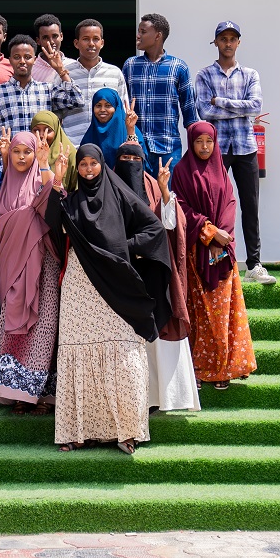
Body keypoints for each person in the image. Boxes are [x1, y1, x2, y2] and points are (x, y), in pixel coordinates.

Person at [50, 143, 174, 454]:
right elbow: (53, 224)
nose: (89, 169)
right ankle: (79, 432)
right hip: (80, 287)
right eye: (83, 164)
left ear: (103, 165)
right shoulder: (73, 201)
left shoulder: (120, 196)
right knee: (79, 355)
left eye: (94, 163)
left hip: (117, 286)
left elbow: (155, 229)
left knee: (122, 355)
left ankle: (127, 432)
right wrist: (56, 183)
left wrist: (125, 248)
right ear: (77, 168)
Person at [113, 143, 200, 412]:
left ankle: (162, 396)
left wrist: (164, 192)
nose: (130, 162)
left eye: (135, 158)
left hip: (154, 272)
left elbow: (171, 225)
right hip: (122, 274)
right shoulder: (110, 187)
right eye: (124, 157)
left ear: (143, 162)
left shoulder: (152, 186)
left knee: (158, 333)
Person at [173, 122, 258, 390]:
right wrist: (208, 233)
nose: (205, 146)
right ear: (191, 142)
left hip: (221, 253)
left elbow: (230, 204)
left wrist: (221, 237)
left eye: (209, 141)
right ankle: (197, 370)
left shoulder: (222, 170)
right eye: (199, 141)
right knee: (198, 313)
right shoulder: (181, 171)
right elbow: (181, 208)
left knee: (221, 313)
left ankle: (222, 369)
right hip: (196, 255)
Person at [0, 130, 61, 413]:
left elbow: (55, 203)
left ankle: (39, 393)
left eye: (26, 152)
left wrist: (44, 165)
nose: (21, 157)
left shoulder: (41, 179)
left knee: (44, 327)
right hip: (13, 266)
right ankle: (16, 391)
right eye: (16, 152)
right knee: (13, 324)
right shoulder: (3, 184)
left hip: (43, 267)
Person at [195, 21, 275, 285]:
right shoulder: (205, 75)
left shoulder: (250, 74)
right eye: (223, 39)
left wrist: (221, 102)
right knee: (214, 205)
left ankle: (254, 264)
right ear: (215, 43)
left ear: (238, 43)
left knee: (250, 206)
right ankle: (218, 259)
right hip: (216, 149)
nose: (228, 43)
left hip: (245, 147)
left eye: (232, 39)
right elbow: (205, 112)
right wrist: (236, 107)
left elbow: (255, 106)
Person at [122, 13, 201, 171]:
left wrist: (195, 152)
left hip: (168, 148)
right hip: (136, 147)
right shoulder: (130, 65)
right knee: (136, 195)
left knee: (168, 195)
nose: (138, 35)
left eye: (143, 31)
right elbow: (123, 106)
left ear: (158, 35)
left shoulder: (179, 67)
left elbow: (189, 113)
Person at [0, 35, 83, 149]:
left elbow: (77, 100)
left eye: (27, 57)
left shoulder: (47, 90)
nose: (22, 61)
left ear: (34, 60)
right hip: (8, 163)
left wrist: (60, 70)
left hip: (40, 162)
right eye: (17, 57)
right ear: (10, 61)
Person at [58, 19, 130, 142]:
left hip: (106, 145)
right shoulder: (63, 73)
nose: (91, 43)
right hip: (73, 144)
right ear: (76, 43)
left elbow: (122, 113)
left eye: (96, 39)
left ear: (102, 43)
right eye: (86, 39)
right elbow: (57, 113)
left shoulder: (115, 73)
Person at [80, 87, 145, 167]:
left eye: (108, 105)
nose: (102, 109)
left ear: (116, 108)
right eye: (98, 105)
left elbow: (138, 160)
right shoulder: (89, 136)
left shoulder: (129, 128)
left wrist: (130, 131)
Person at [29, 109, 77, 190]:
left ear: (57, 130)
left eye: (47, 130)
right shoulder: (28, 152)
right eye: (36, 130)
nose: (41, 135)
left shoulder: (69, 153)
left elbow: (75, 187)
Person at [29, 14, 78, 83]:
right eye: (45, 38)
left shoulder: (74, 65)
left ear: (61, 36)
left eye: (55, 36)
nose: (51, 42)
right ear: (38, 41)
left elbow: (76, 93)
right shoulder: (30, 68)